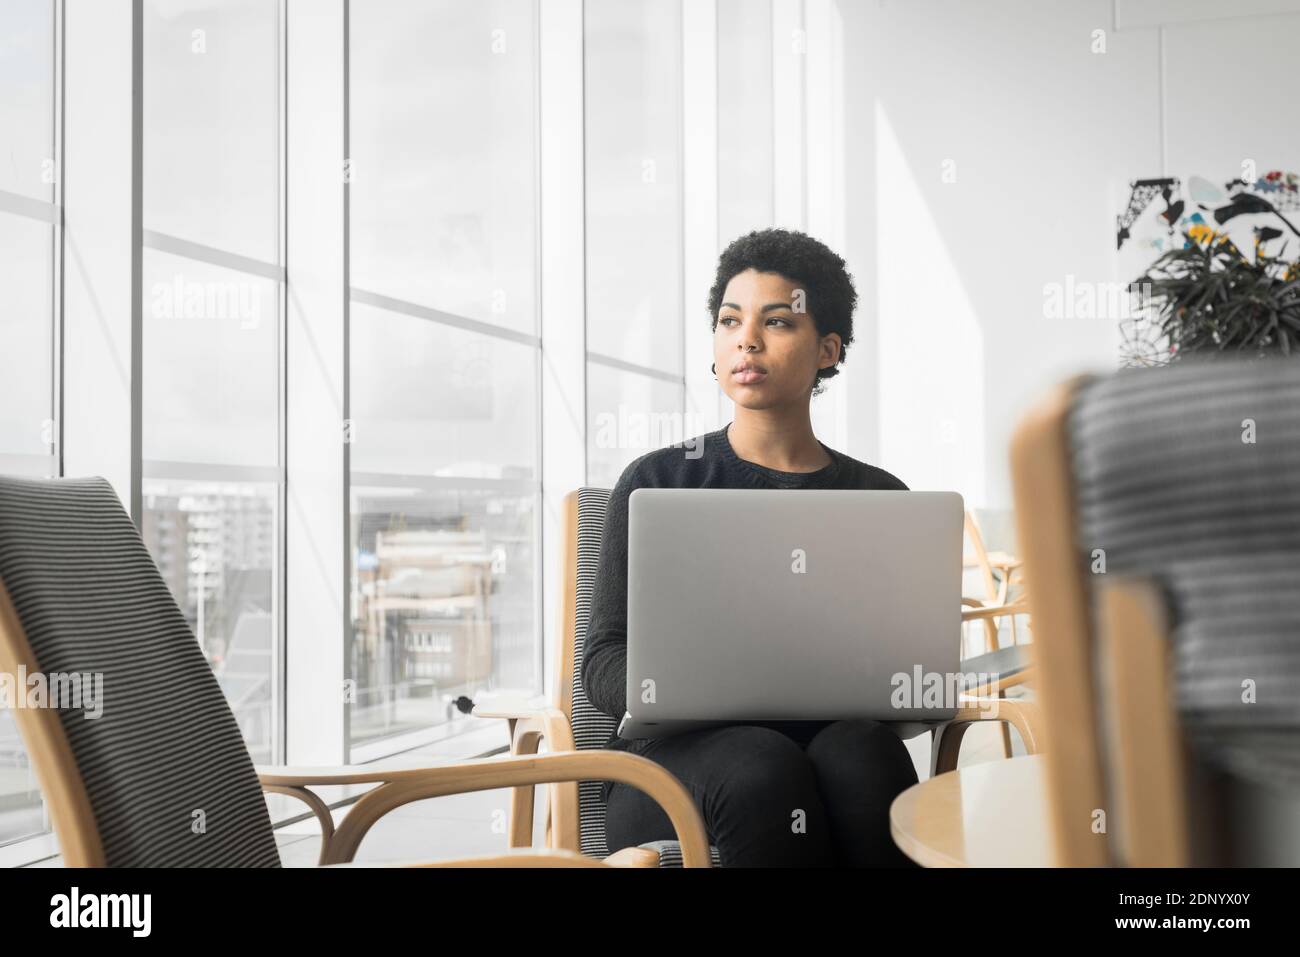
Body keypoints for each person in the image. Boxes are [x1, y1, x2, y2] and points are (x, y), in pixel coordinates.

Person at [583, 227, 920, 867]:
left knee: (865, 753)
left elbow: (900, 664)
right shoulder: (660, 481)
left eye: (778, 322)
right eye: (730, 321)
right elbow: (601, 663)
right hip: (671, 766)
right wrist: (694, 685)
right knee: (761, 765)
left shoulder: (878, 496)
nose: (747, 340)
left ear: (828, 349)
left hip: (827, 744)